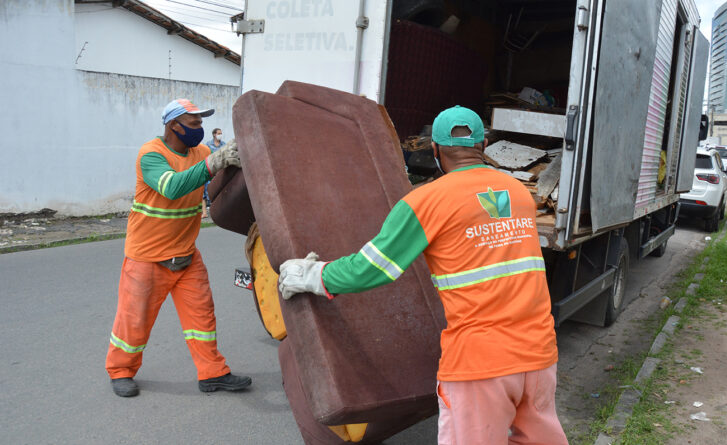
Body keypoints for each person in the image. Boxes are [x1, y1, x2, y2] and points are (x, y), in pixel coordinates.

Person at [277, 106, 567, 444]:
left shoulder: (426, 202)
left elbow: (371, 268)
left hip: (480, 363)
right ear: (484, 145)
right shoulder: (518, 193)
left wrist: (313, 275)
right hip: (539, 355)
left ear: (434, 149)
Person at [105, 99, 251, 398]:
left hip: (186, 255)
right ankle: (120, 371)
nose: (200, 128)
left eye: (201, 122)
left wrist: (242, 152)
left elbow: (219, 172)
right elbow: (172, 187)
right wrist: (215, 162)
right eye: (194, 123)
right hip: (147, 258)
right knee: (134, 321)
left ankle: (212, 373)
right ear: (174, 125)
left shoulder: (201, 152)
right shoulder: (151, 154)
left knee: (202, 319)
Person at [202, 128, 225, 218]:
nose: (220, 135)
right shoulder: (208, 145)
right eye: (219, 133)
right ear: (214, 134)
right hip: (211, 170)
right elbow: (206, 157)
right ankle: (205, 212)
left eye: (221, 133)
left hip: (220, 170)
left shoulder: (224, 144)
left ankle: (219, 211)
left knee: (219, 190)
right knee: (206, 190)